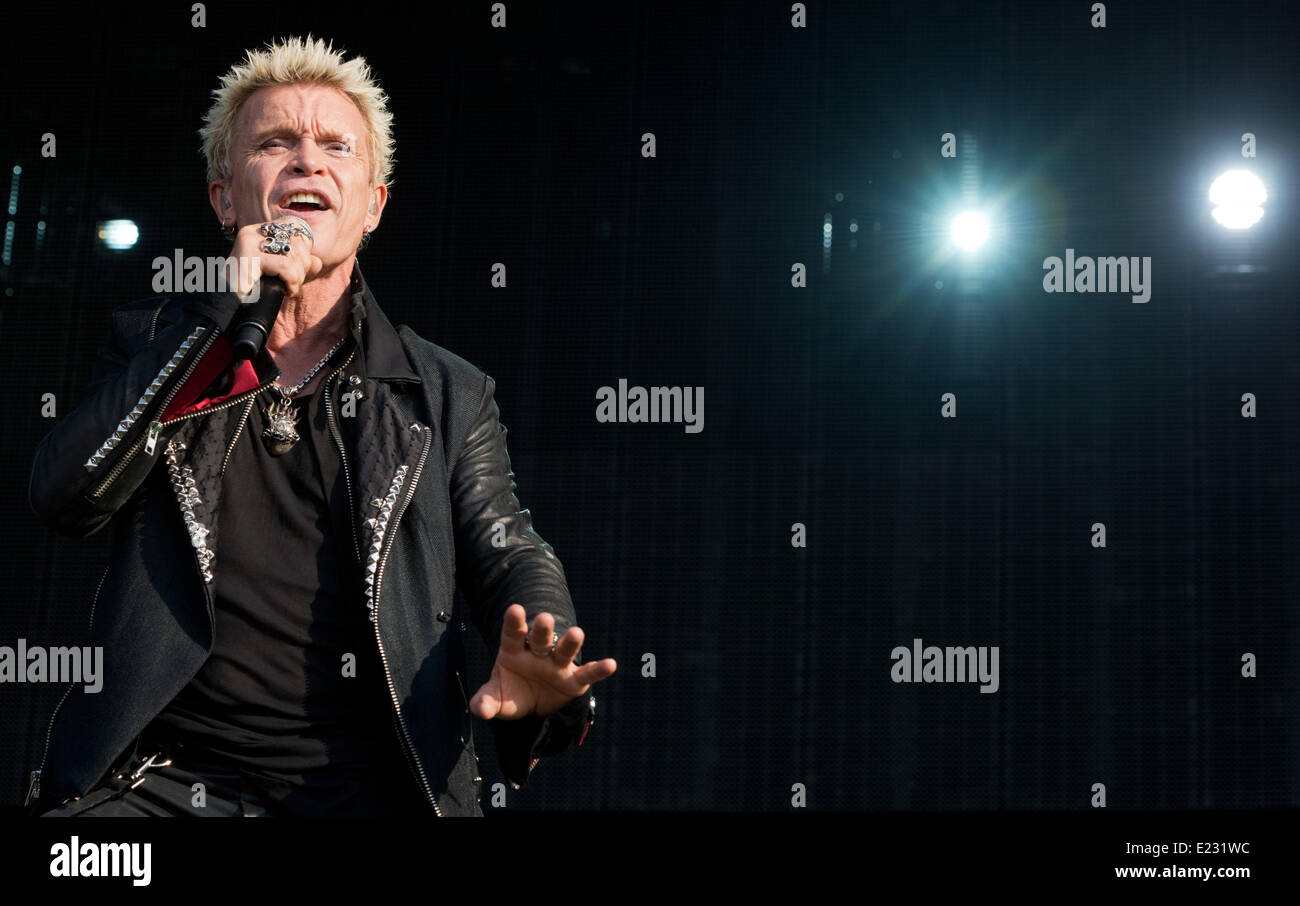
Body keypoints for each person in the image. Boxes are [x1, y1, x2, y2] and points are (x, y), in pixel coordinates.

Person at [26, 35, 616, 817]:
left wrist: (547, 651)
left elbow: (508, 549)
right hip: (162, 786)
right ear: (225, 198)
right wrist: (215, 320)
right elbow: (65, 494)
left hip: (373, 792)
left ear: (372, 202)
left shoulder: (444, 392)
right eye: (275, 143)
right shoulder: (157, 344)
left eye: (335, 146)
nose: (307, 161)